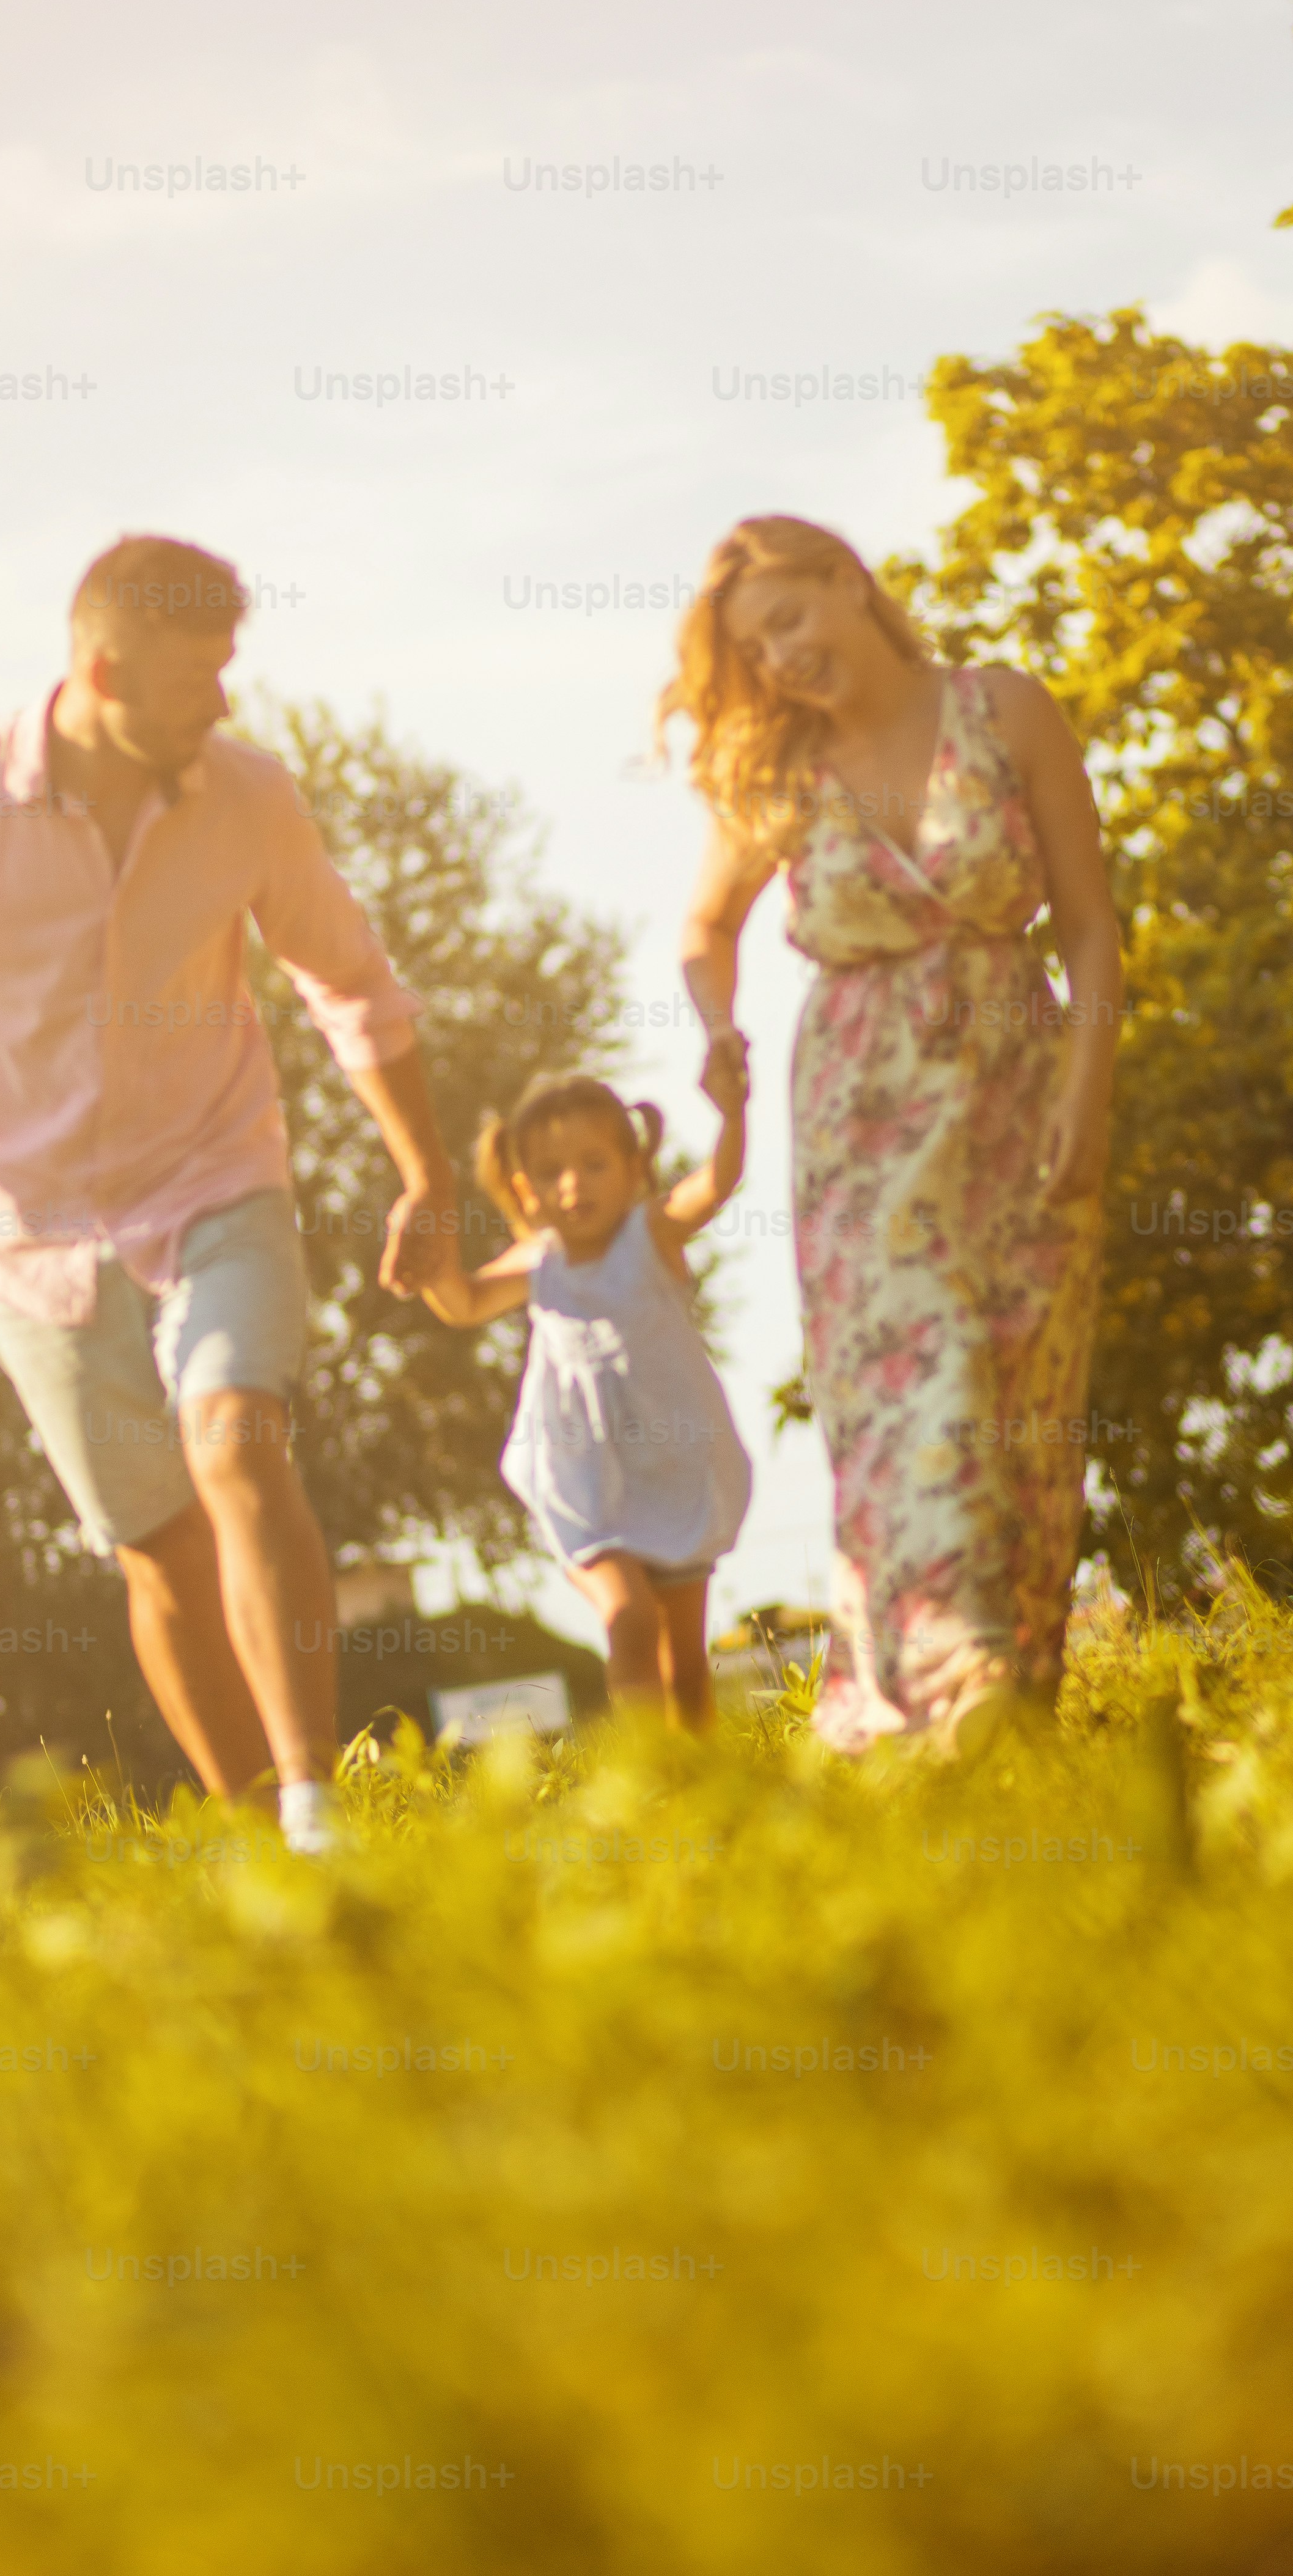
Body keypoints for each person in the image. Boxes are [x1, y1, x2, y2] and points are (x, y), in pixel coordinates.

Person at [0, 535, 457, 1850]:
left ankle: (317, 1803)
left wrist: (426, 1170)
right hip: (24, 1226)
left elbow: (353, 984)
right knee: (157, 1543)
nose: (224, 700)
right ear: (104, 668)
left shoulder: (250, 799)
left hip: (214, 1174)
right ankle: (254, 1831)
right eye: (202, 673)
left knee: (235, 1438)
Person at [666, 513, 1122, 1757]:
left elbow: (1088, 928)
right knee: (921, 1378)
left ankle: (1005, 1700)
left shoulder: (1004, 710)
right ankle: (955, 1667)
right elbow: (705, 926)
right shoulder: (780, 773)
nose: (782, 658)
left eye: (792, 620)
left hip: (1022, 1086)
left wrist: (1090, 1086)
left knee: (1027, 1391)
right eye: (757, 647)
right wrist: (721, 1039)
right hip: (863, 1113)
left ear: (849, 582)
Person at [414, 1065, 752, 1729]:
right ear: (525, 1190)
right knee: (627, 1617)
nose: (574, 1186)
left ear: (634, 1168)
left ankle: (706, 1792)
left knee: (685, 1664)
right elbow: (465, 1302)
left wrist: (733, 1116)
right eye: (551, 1172)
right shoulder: (541, 1259)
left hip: (673, 1468)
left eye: (595, 1164)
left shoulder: (648, 1236)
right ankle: (649, 1772)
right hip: (587, 1479)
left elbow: (716, 1184)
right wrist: (430, 1266)